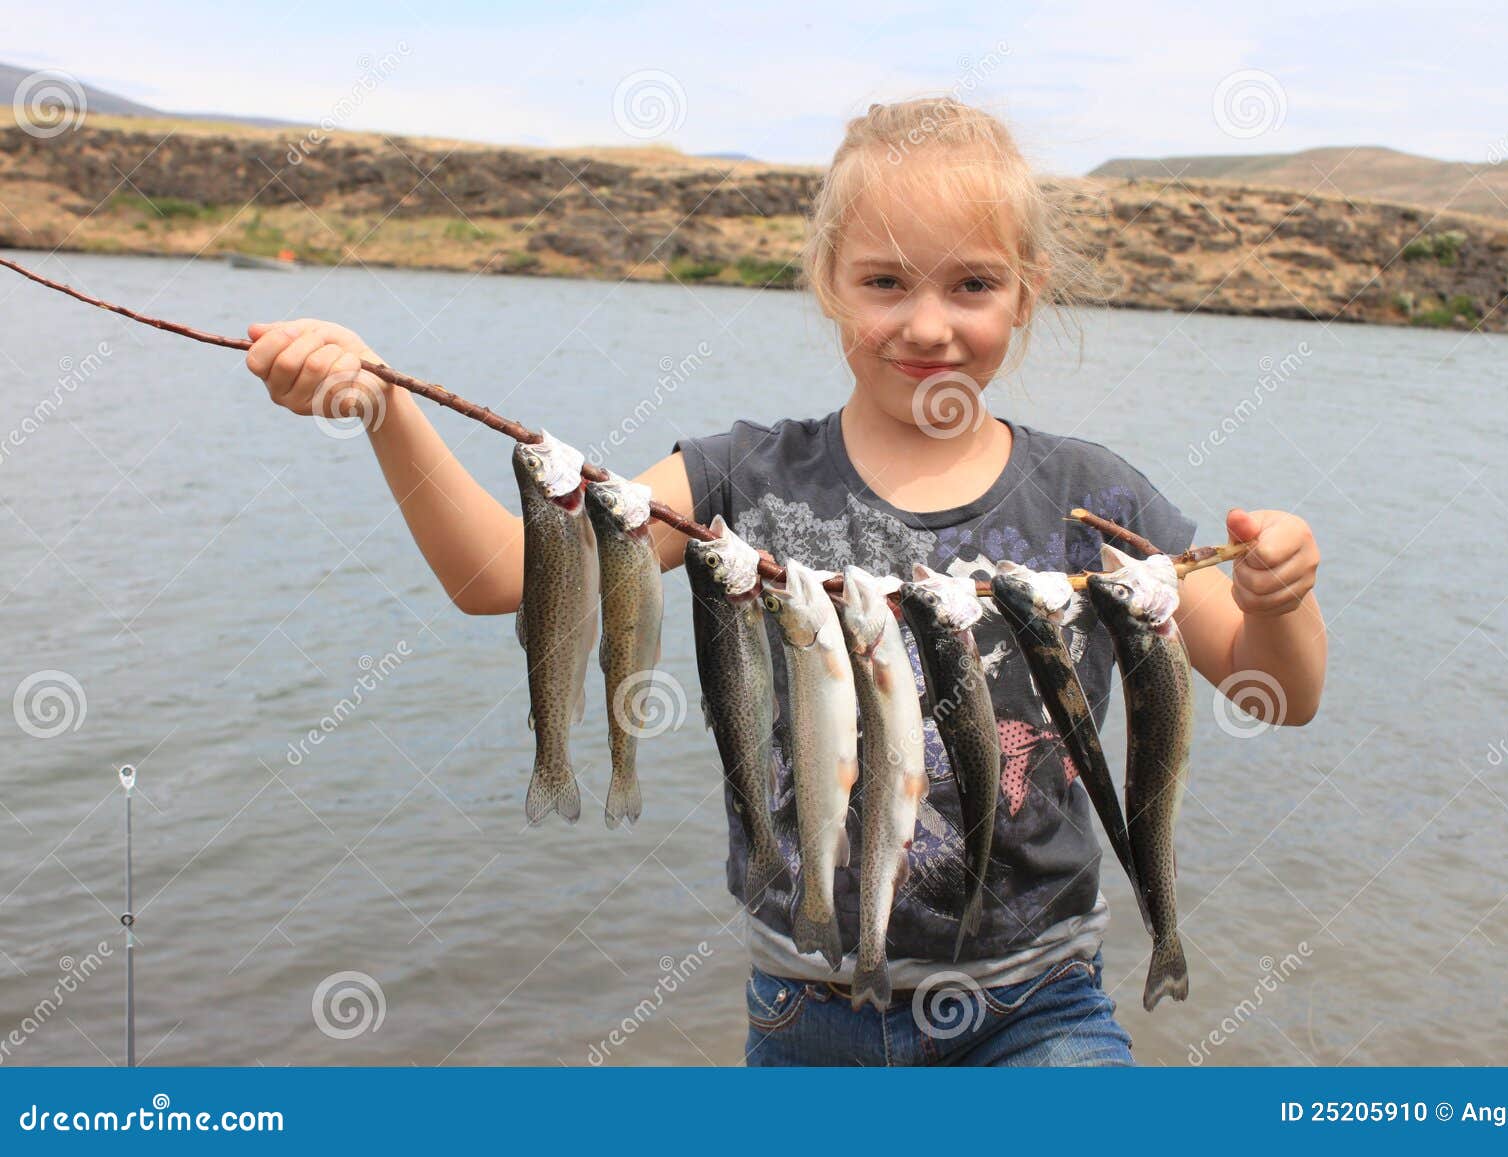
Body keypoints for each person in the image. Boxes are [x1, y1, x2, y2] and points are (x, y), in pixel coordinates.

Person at [242, 96, 1326, 1066]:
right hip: (806, 1008)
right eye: (885, 282)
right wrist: (386, 409)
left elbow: (1274, 689)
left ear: (1026, 293)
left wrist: (1280, 601)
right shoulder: (738, 479)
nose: (929, 324)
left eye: (973, 284)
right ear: (827, 285)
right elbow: (506, 578)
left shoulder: (1091, 498)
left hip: (1038, 1005)